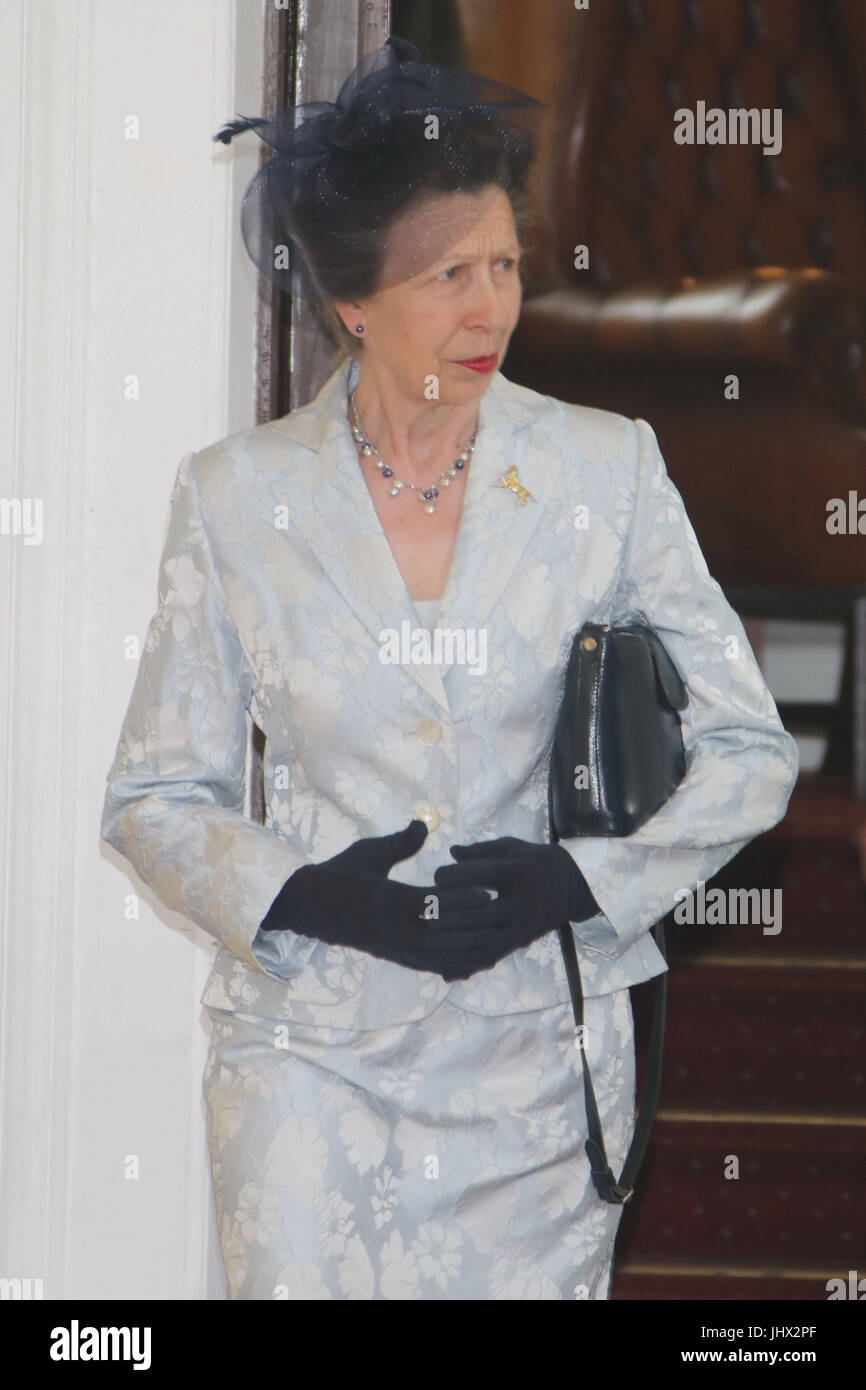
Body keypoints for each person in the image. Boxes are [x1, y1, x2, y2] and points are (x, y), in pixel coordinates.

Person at [100, 37, 799, 1300]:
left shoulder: (602, 471)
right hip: (306, 1057)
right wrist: (312, 898)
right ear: (355, 304)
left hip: (529, 1068)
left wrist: (576, 881)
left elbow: (749, 752)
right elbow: (152, 798)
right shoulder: (235, 497)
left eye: (505, 266)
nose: (492, 311)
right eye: (449, 277)